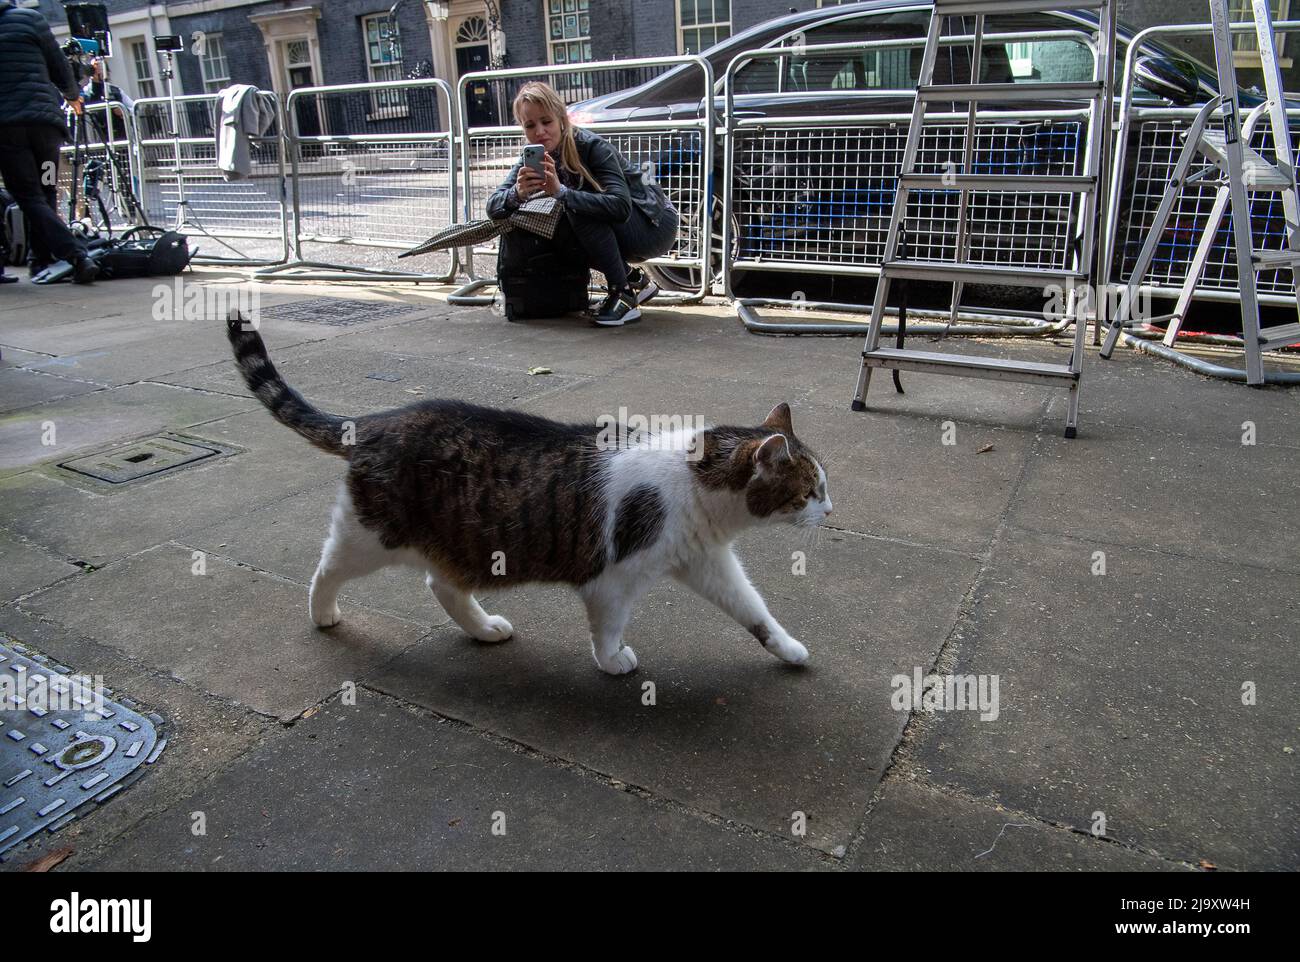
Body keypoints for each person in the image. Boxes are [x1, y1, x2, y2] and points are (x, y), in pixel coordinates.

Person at [486, 81, 678, 326]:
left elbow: (620, 206)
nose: (540, 131)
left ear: (561, 119)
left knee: (576, 208)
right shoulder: (532, 158)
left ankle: (623, 295)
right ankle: (632, 279)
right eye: (530, 125)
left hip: (655, 224)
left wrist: (561, 192)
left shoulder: (592, 147)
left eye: (546, 121)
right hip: (624, 224)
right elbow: (493, 206)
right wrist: (518, 193)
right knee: (554, 224)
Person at [0, 0, 97, 284]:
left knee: (29, 196)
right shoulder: (32, 19)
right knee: (47, 188)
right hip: (46, 129)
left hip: (9, 131)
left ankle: (76, 255)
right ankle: (40, 260)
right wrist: (72, 95)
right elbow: (58, 65)